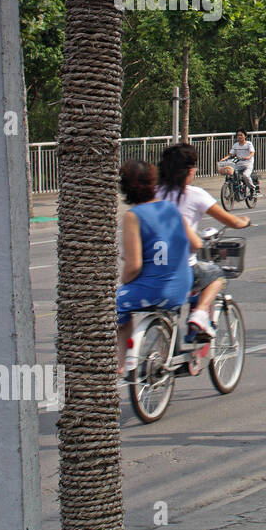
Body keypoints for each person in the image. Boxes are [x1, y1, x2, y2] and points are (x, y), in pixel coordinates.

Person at [157, 143, 251, 343]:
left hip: (154, 266)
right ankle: (200, 314)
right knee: (217, 275)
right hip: (182, 268)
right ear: (189, 171)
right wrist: (244, 221)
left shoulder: (154, 194)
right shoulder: (195, 194)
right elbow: (231, 221)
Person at [116, 160, 202, 378]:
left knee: (116, 303)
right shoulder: (170, 209)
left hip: (153, 290)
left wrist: (124, 282)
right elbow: (195, 244)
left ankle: (122, 360)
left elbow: (133, 266)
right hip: (181, 286)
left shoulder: (133, 216)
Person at [220, 129, 257, 196]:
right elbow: (230, 154)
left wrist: (248, 157)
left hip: (248, 164)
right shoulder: (235, 145)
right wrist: (223, 159)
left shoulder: (249, 144)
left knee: (245, 175)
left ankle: (252, 189)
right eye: (238, 135)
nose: (239, 137)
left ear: (245, 136)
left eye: (241, 135)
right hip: (238, 164)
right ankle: (233, 187)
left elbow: (252, 153)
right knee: (230, 173)